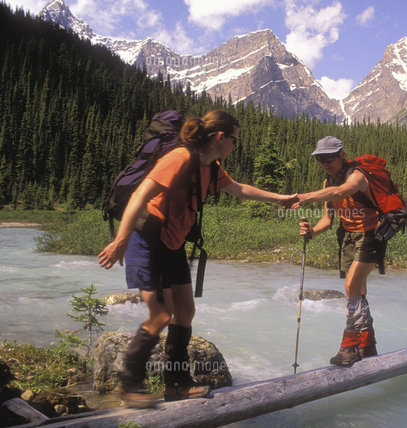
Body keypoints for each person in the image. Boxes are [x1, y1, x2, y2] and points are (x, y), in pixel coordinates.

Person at [98, 110, 295, 407]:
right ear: (219, 137)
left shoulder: (211, 168)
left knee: (186, 311)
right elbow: (140, 195)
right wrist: (120, 240)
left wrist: (279, 198)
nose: (234, 146)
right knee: (161, 315)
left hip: (173, 244)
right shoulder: (179, 157)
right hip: (148, 240)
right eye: (233, 140)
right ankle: (130, 383)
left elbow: (238, 189)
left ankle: (177, 383)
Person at [290, 136, 379, 366]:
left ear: (341, 155)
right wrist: (311, 232)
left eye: (328, 158)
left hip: (371, 235)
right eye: (320, 159)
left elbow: (341, 192)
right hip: (348, 237)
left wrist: (305, 197)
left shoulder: (357, 175)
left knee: (350, 287)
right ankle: (367, 343)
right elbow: (327, 221)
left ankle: (349, 347)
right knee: (358, 289)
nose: (324, 163)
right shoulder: (327, 182)